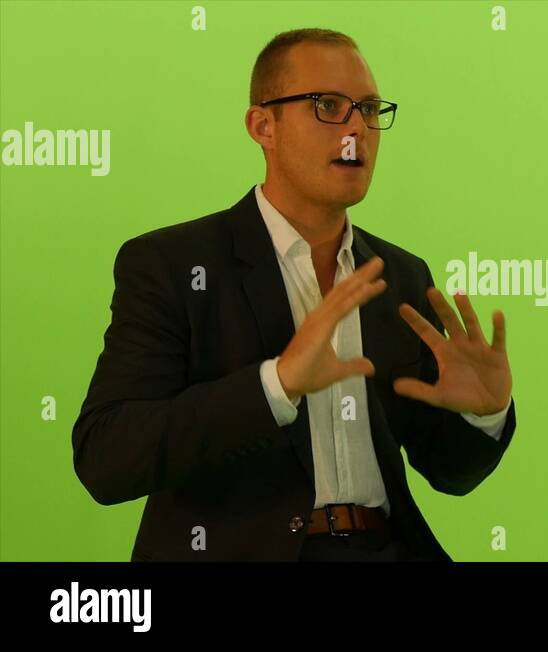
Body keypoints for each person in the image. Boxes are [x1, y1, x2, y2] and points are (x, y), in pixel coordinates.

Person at [71, 28, 517, 562]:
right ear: (263, 125)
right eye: (328, 105)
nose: (357, 128)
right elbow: (107, 458)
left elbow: (449, 471)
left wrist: (483, 415)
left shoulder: (398, 275)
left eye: (370, 109)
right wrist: (276, 385)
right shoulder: (173, 264)